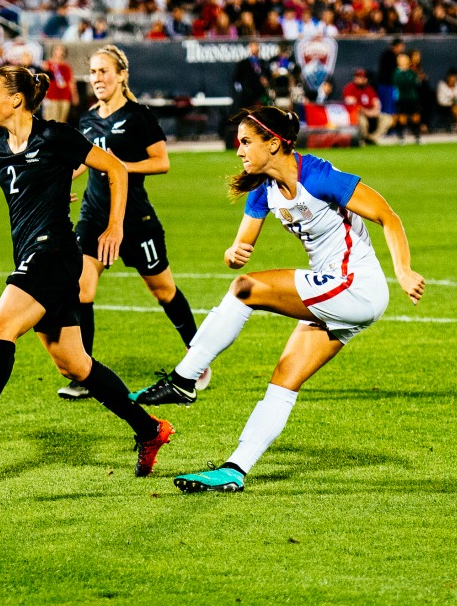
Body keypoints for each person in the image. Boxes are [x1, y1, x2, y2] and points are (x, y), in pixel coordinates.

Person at [126, 106, 424, 493]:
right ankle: (235, 469)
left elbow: (388, 215)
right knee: (283, 381)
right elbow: (240, 248)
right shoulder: (262, 189)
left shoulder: (316, 175)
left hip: (354, 284)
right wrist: (233, 253)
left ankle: (184, 379)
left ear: (274, 142)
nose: (239, 151)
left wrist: (403, 270)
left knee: (247, 290)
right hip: (336, 291)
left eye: (246, 142)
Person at [0, 65, 175, 477]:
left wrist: (114, 225)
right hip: (33, 256)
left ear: (15, 99)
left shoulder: (56, 136)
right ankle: (148, 428)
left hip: (53, 254)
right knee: (75, 365)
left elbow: (116, 168)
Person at [58, 45, 202, 400]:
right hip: (93, 216)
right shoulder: (87, 119)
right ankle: (84, 374)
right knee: (81, 288)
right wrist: (58, 186)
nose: (97, 79)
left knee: (163, 291)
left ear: (122, 75)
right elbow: (82, 163)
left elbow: (161, 161)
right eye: (92, 72)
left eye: (104, 71)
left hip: (135, 220)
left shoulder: (139, 116)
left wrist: (119, 167)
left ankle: (198, 358)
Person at [341, 68, 389, 145]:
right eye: (357, 77)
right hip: (358, 114)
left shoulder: (369, 89)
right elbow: (353, 106)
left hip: (371, 113)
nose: (359, 79)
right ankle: (364, 138)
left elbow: (376, 102)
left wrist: (375, 111)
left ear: (366, 79)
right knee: (362, 121)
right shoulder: (349, 88)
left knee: (387, 118)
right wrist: (367, 112)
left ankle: (372, 138)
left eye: (361, 77)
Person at [41, 44, 78, 123]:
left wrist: (74, 95)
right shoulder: (47, 64)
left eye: (61, 50)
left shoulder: (66, 66)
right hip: (51, 96)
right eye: (57, 49)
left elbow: (71, 82)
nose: (59, 52)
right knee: (50, 120)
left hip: (64, 96)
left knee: (62, 121)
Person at [392, 52, 422, 143]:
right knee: (402, 117)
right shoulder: (396, 72)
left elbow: (416, 83)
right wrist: (408, 82)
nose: (404, 62)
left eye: (405, 60)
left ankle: (417, 136)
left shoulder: (412, 72)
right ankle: (401, 137)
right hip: (401, 98)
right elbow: (400, 83)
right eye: (402, 60)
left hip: (412, 98)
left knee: (415, 116)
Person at [232, 40, 270, 109]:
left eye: (256, 46)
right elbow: (237, 78)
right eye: (252, 46)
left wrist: (266, 81)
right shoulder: (244, 63)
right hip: (248, 93)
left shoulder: (263, 62)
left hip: (260, 92)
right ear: (249, 48)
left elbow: (268, 75)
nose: (254, 48)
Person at [435, 68, 457, 133]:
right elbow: (441, 100)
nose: (454, 79)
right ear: (448, 77)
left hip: (456, 106)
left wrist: (453, 101)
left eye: (455, 77)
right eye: (452, 77)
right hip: (443, 107)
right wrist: (452, 101)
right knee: (456, 108)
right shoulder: (442, 85)